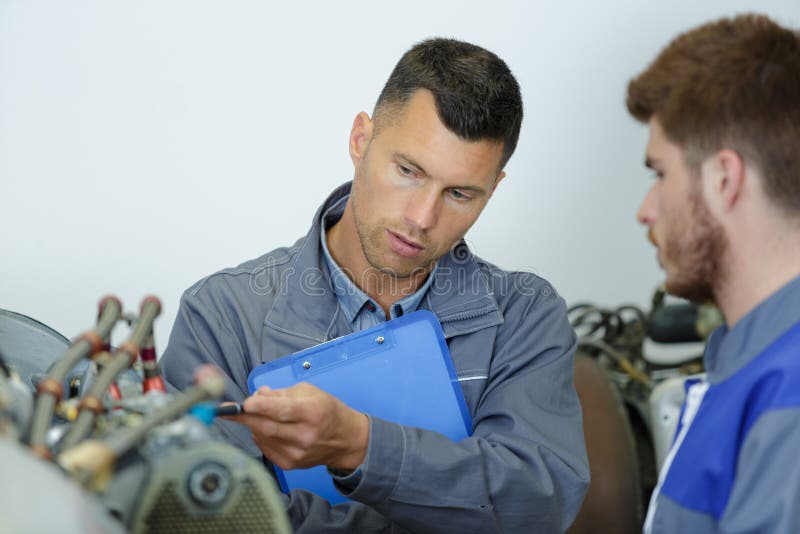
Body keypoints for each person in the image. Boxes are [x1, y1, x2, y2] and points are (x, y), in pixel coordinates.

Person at [161, 38, 589, 532]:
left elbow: (537, 506)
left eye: (460, 193)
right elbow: (216, 514)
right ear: (360, 139)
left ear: (493, 189)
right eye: (408, 171)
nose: (422, 218)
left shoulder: (526, 313)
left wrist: (361, 446)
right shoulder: (222, 315)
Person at [627, 14, 800, 533]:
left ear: (725, 178)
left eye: (660, 174)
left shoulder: (788, 401)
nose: (645, 209)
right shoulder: (749, 368)